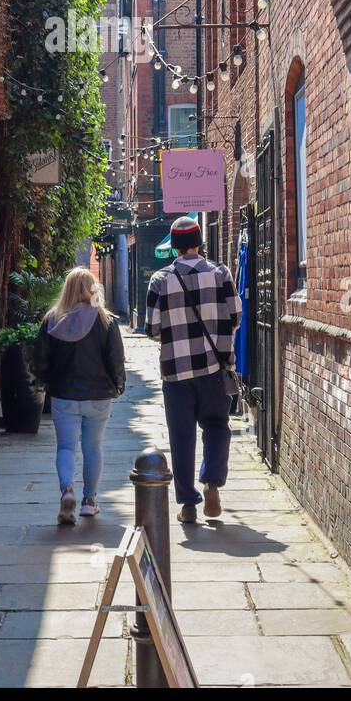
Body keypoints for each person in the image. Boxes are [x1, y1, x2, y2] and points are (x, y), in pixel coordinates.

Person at [146, 216, 241, 524]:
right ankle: (212, 481)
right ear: (199, 242)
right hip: (214, 368)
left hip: (176, 373)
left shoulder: (160, 280)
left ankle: (188, 505)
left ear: (174, 246)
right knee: (216, 426)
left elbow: (151, 328)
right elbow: (236, 315)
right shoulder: (220, 273)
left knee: (182, 435)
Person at [33, 267, 125, 525]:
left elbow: (40, 360)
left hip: (63, 395)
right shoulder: (106, 320)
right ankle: (89, 501)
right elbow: (116, 358)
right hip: (98, 396)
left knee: (65, 447)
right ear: (93, 289)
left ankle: (67, 491)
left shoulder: (53, 320)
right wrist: (118, 384)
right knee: (93, 447)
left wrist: (46, 381)